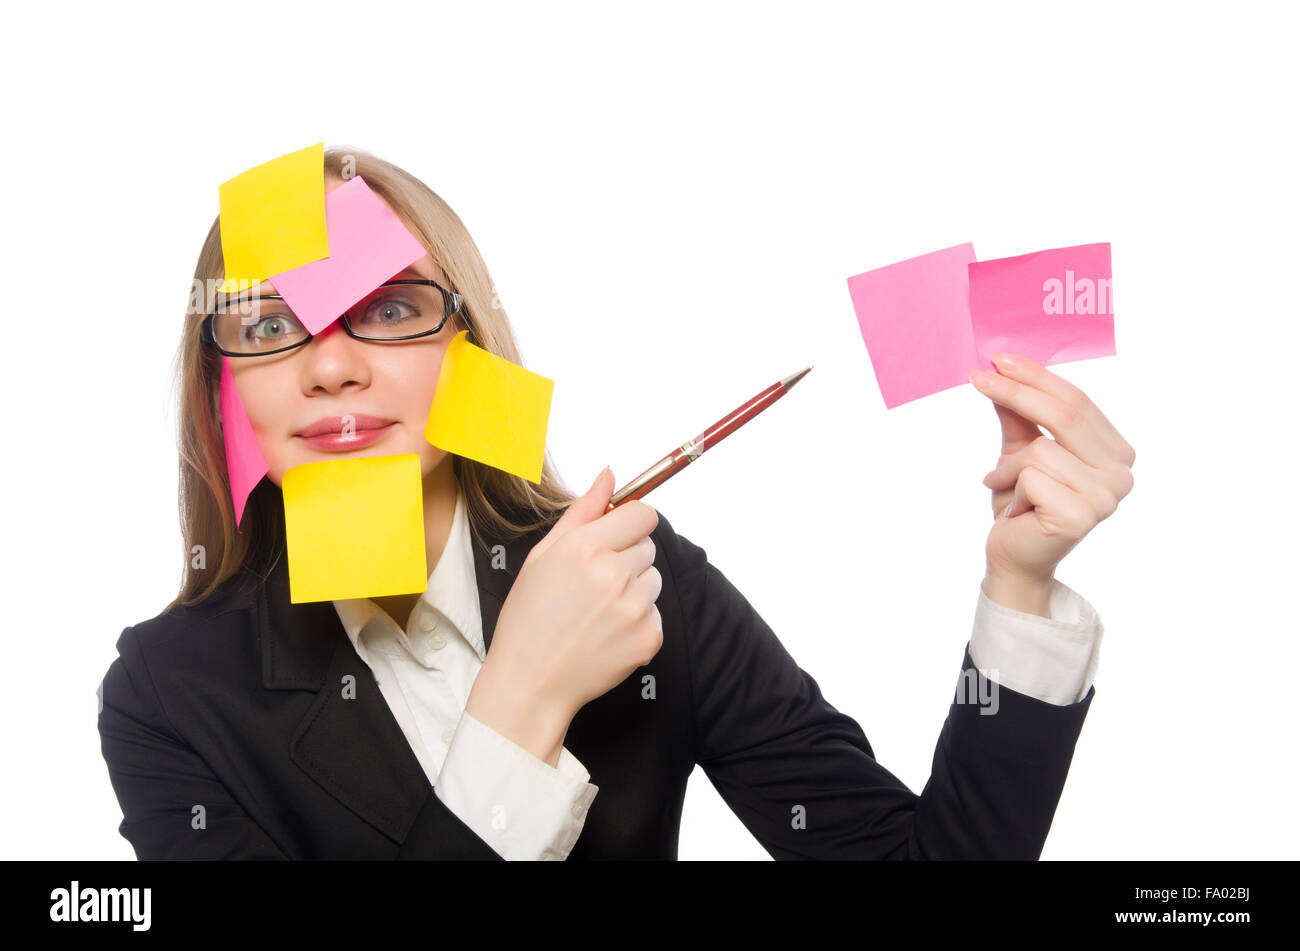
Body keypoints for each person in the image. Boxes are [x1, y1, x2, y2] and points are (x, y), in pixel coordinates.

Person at [97, 145, 1136, 860]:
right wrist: (522, 702)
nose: (329, 369)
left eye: (390, 308)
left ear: (471, 352)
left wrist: (1020, 588)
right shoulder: (164, 692)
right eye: (267, 324)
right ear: (218, 389)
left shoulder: (642, 579)